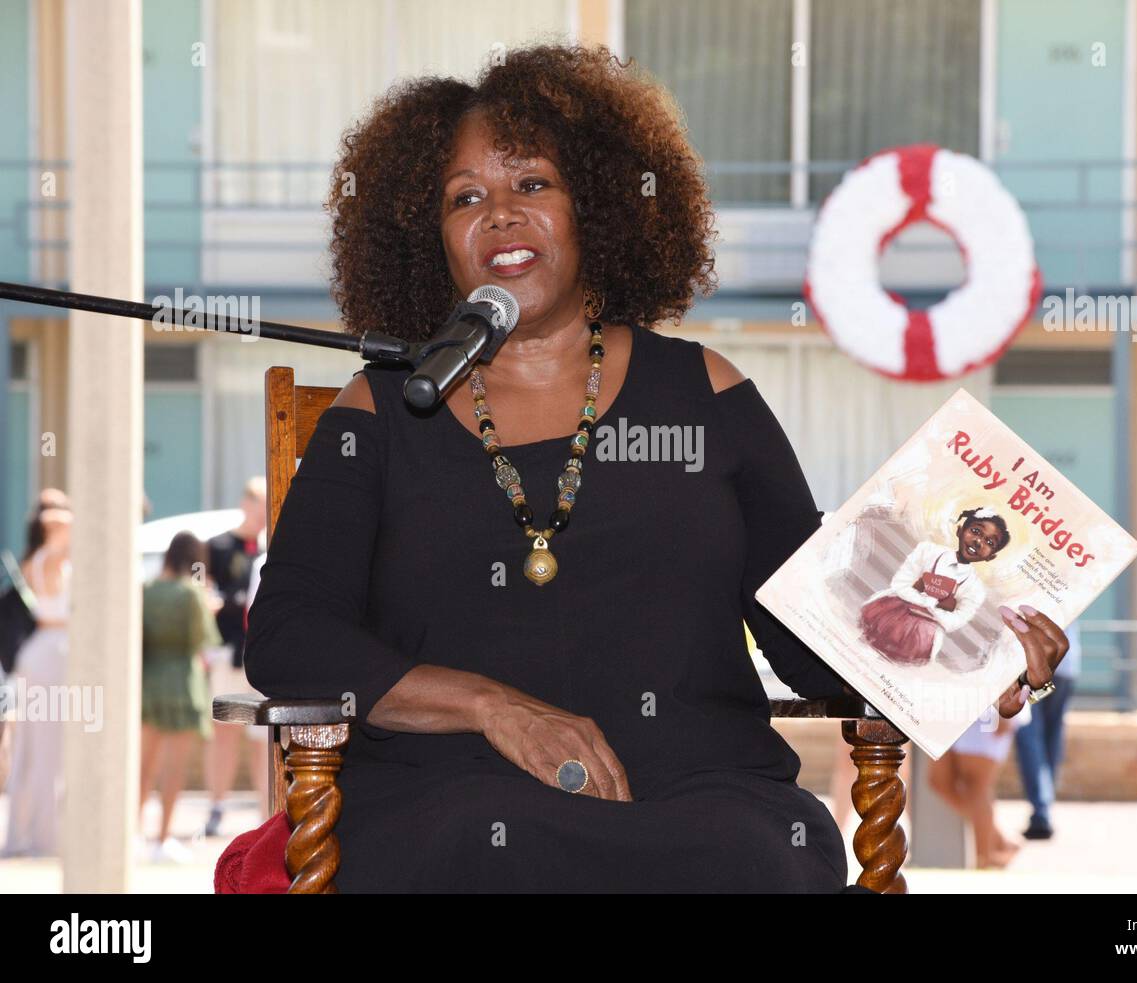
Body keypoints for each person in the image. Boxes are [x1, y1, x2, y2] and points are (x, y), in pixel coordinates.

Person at [242, 41, 1071, 893]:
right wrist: (496, 709)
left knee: (766, 856)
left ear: (596, 208)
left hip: (698, 797)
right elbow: (288, 636)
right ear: (431, 239)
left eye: (533, 185)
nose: (500, 214)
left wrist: (971, 662)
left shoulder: (705, 391)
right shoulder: (380, 410)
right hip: (451, 798)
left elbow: (808, 629)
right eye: (466, 198)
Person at [140, 531, 221, 863]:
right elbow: (205, 639)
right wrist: (209, 603)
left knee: (143, 765)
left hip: (151, 681)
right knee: (174, 768)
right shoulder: (192, 595)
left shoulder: (147, 590)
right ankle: (162, 838)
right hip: (184, 683)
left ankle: (131, 832)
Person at [1, 503, 72, 857]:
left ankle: (34, 833)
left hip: (44, 654)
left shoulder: (40, 560)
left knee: (35, 749)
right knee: (44, 749)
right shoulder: (48, 559)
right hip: (50, 654)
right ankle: (44, 837)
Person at [859, 508, 1011, 667]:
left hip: (923, 635)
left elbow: (958, 618)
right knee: (865, 647)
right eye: (975, 531)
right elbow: (900, 583)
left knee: (892, 665)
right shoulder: (927, 551)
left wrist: (923, 594)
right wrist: (939, 603)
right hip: (890, 612)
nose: (978, 542)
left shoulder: (975, 588)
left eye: (989, 542)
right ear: (960, 530)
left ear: (991, 556)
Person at [203, 477, 267, 836]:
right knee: (224, 733)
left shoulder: (269, 549)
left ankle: (265, 811)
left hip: (260, 657)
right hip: (228, 653)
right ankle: (216, 806)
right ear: (245, 503)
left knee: (265, 737)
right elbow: (206, 595)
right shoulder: (219, 546)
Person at [929, 688, 1032, 869]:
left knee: (976, 786)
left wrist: (1005, 709)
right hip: (953, 696)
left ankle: (984, 860)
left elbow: (1020, 661)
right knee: (939, 781)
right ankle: (1000, 841)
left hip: (991, 700)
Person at [1014, 620, 1081, 839]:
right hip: (1065, 668)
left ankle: (1041, 810)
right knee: (1051, 736)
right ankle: (1044, 806)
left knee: (1030, 735)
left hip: (1039, 670)